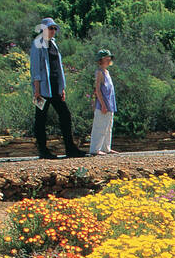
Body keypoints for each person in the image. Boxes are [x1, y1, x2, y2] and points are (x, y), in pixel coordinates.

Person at [29, 17, 85, 159]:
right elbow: (35, 68)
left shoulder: (53, 44)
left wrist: (62, 88)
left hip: (55, 87)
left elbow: (58, 67)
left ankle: (70, 148)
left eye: (54, 28)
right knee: (41, 118)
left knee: (65, 115)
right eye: (50, 28)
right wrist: (36, 91)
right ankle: (43, 150)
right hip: (43, 88)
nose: (53, 31)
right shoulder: (37, 44)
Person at [89, 49, 116, 155]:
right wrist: (103, 104)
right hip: (102, 104)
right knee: (99, 126)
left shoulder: (107, 72)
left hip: (110, 104)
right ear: (101, 60)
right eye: (106, 58)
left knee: (108, 126)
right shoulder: (99, 72)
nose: (109, 59)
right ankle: (95, 149)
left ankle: (106, 148)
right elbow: (98, 90)